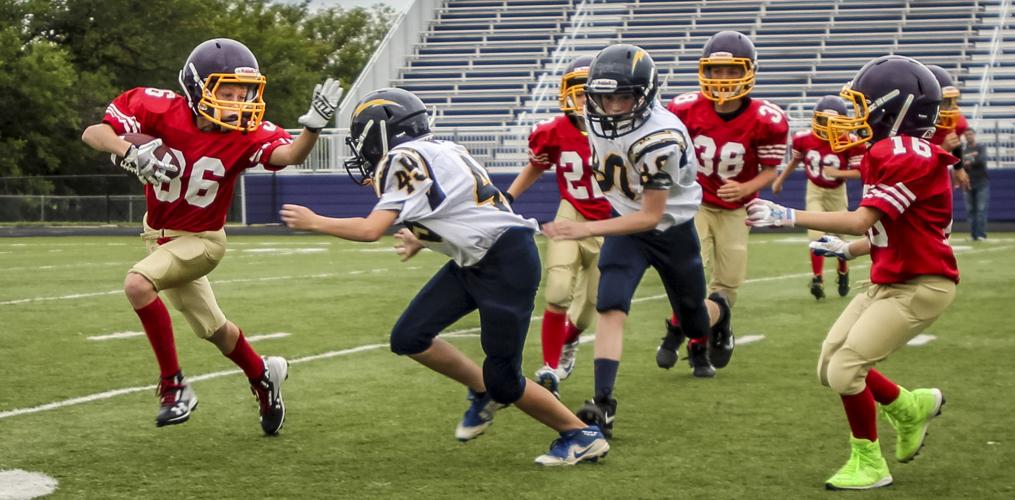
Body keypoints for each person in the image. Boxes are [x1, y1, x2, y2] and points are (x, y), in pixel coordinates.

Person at [279, 87, 608, 466]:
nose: (361, 149)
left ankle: (580, 434)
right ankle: (482, 390)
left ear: (380, 132)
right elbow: (456, 208)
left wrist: (314, 221)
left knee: (505, 379)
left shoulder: (401, 157)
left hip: (504, 265)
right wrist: (421, 237)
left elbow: (371, 230)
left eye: (362, 139)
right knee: (409, 336)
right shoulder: (444, 148)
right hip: (484, 258)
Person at [81, 38, 342, 434]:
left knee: (137, 284)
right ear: (197, 87)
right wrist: (128, 151)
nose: (239, 102)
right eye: (229, 92)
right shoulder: (157, 108)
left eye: (245, 94)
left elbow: (289, 155)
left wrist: (312, 128)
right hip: (160, 236)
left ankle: (174, 388)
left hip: (203, 240)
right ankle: (263, 376)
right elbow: (93, 133)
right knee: (215, 331)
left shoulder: (246, 133)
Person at [746, 55, 958, 490]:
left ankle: (870, 462)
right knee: (830, 367)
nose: (853, 116)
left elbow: (863, 218)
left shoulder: (900, 153)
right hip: (891, 276)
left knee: (845, 370)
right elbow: (890, 230)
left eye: (863, 105)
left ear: (893, 109)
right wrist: (850, 249)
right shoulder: (894, 152)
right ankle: (909, 406)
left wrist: (788, 216)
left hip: (919, 286)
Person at [542, 44, 734, 438]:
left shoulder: (660, 137)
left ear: (644, 96)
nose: (611, 107)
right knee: (612, 304)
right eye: (604, 97)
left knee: (696, 319)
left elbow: (650, 215)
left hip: (669, 229)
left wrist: (585, 228)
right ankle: (603, 403)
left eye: (623, 97)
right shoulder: (591, 116)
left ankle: (720, 311)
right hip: (625, 223)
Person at [659, 30, 787, 375]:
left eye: (733, 70)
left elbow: (770, 171)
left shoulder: (767, 119)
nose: (723, 79)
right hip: (694, 201)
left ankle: (717, 325)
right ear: (704, 71)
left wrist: (746, 187)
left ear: (750, 71)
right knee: (691, 276)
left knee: (727, 286)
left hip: (736, 208)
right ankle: (690, 344)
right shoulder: (684, 109)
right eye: (716, 71)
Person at [505, 56, 612, 397]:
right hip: (572, 215)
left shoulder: (622, 129)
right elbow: (536, 166)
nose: (585, 102)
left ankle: (570, 341)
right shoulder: (552, 131)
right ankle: (550, 369)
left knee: (588, 308)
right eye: (579, 94)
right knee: (557, 289)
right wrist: (507, 198)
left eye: (592, 94)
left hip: (611, 223)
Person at [772, 96, 864, 300]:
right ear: (816, 120)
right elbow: (795, 160)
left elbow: (861, 172)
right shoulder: (804, 138)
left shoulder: (850, 142)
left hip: (837, 192)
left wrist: (839, 173)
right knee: (815, 235)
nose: (828, 127)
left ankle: (842, 271)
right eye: (824, 121)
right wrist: (780, 180)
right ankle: (818, 278)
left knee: (839, 238)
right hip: (814, 189)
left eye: (834, 122)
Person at [926, 65, 972, 191]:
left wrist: (959, 167)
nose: (949, 108)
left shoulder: (954, 122)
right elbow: (911, 162)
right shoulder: (908, 126)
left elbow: (953, 140)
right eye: (944, 102)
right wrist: (941, 149)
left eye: (950, 102)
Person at [961, 128, 990, 240]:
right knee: (970, 210)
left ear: (974, 135)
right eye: (966, 134)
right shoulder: (963, 149)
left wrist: (968, 161)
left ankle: (981, 234)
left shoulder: (981, 147)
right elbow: (959, 163)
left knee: (981, 209)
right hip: (968, 183)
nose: (968, 136)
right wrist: (971, 159)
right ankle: (974, 235)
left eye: (970, 134)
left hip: (981, 182)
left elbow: (982, 161)